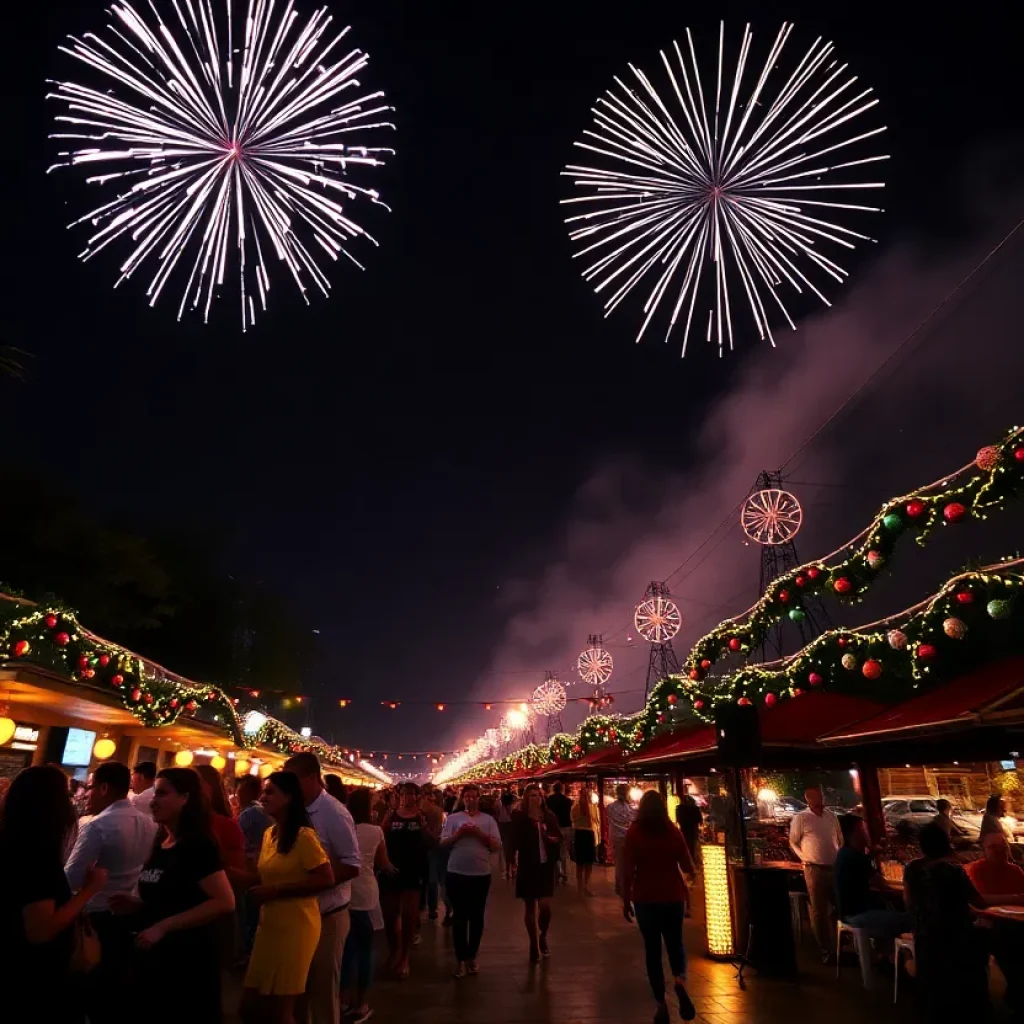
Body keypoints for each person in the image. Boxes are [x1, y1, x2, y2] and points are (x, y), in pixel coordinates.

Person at [110, 767, 235, 1023]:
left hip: (187, 963)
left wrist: (164, 926)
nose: (154, 802)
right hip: (157, 960)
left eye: (163, 794)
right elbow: (170, 898)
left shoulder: (197, 845)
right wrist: (136, 905)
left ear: (185, 798)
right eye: (155, 793)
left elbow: (224, 901)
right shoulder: (163, 841)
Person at [0, 764, 109, 1023]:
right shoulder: (36, 858)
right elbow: (39, 931)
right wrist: (88, 891)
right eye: (66, 796)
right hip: (34, 980)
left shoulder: (10, 844)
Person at [64, 760, 158, 1024]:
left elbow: (71, 876)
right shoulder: (148, 823)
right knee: (112, 988)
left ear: (104, 788)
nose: (88, 794)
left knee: (86, 988)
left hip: (93, 916)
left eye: (91, 788)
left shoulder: (97, 825)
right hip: (126, 911)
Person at [239, 771, 334, 1024]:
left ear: (289, 797)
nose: (263, 797)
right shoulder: (270, 834)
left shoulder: (303, 836)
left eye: (270, 792)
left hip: (296, 926)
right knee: (251, 1003)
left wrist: (276, 891)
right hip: (269, 926)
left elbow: (326, 878)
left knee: (282, 1010)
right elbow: (262, 876)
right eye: (263, 791)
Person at [283, 753, 361, 1024]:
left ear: (313, 778)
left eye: (293, 781)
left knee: (323, 990)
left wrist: (313, 883)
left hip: (328, 915)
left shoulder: (334, 813)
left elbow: (352, 864)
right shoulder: (293, 810)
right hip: (298, 914)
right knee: (297, 990)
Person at [621, 791, 697, 1024]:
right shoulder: (672, 831)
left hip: (645, 897)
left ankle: (660, 1002)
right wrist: (691, 879)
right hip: (672, 895)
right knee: (675, 942)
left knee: (652, 950)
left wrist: (626, 900)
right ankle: (679, 981)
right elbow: (686, 863)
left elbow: (627, 870)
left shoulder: (634, 833)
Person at [903, 822, 988, 1021]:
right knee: (986, 937)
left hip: (925, 937)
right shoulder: (954, 870)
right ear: (946, 843)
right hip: (957, 938)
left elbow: (908, 902)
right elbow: (979, 902)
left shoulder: (912, 869)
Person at [342, 788, 397, 1023]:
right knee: (365, 950)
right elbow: (383, 863)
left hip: (343, 892)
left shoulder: (342, 829)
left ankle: (342, 999)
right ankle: (361, 1002)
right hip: (365, 893)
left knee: (345, 950)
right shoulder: (375, 831)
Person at [441, 783, 501, 977]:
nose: (471, 799)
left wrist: (478, 834)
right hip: (457, 872)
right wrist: (459, 834)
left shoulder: (489, 820)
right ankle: (460, 959)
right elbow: (443, 843)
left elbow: (496, 846)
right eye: (467, 796)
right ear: (462, 798)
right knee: (460, 917)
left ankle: (472, 955)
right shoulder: (452, 819)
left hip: (480, 873)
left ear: (479, 798)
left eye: (474, 796)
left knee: (477, 916)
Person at [967, 833, 1024, 1014]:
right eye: (993, 847)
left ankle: (1016, 991)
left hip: (1016, 922)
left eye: (1003, 847)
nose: (999, 851)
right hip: (989, 923)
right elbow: (980, 900)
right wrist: (1014, 898)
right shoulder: (976, 870)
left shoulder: (1015, 871)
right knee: (1006, 941)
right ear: (984, 850)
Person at [379, 781, 432, 978]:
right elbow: (380, 837)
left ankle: (404, 956)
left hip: (414, 869)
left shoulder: (421, 816)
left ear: (416, 797)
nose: (406, 797)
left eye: (410, 794)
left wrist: (424, 826)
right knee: (390, 915)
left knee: (410, 916)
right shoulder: (390, 816)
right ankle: (394, 949)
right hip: (392, 869)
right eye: (403, 794)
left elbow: (431, 841)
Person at [788, 785, 841, 962]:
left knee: (838, 905)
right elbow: (793, 842)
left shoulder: (831, 816)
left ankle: (838, 942)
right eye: (817, 797)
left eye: (821, 796)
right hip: (814, 867)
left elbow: (838, 838)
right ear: (809, 799)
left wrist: (838, 853)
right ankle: (826, 949)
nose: (821, 800)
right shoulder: (801, 818)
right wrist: (805, 857)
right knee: (818, 910)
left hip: (833, 866)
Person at [834, 814, 910, 936]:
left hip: (849, 912)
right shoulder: (854, 856)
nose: (867, 833)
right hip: (858, 915)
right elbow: (883, 886)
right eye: (863, 829)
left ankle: (888, 952)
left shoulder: (846, 853)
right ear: (852, 834)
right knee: (912, 920)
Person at [510, 783, 562, 961]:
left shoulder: (549, 816)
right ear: (526, 798)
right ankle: (533, 942)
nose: (536, 798)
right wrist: (511, 862)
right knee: (530, 906)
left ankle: (543, 934)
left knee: (545, 906)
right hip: (528, 865)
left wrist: (553, 839)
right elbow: (514, 840)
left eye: (538, 795)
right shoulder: (520, 816)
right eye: (532, 795)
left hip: (545, 866)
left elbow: (558, 836)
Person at [236, 773, 270, 954]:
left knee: (246, 912)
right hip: (262, 866)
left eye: (240, 790)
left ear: (249, 792)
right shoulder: (263, 811)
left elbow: (236, 839)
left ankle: (245, 949)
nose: (237, 794)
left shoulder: (249, 814)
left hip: (249, 868)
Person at [195, 764, 247, 876]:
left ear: (212, 788)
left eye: (196, 783)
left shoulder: (226, 826)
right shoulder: (175, 821)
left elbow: (237, 870)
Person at [420, 787, 445, 922]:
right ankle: (432, 908)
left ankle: (426, 906)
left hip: (427, 847)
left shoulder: (427, 810)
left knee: (429, 879)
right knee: (432, 879)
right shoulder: (438, 810)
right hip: (434, 847)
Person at [607, 784, 636, 896]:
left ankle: (619, 885)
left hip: (615, 837)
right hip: (624, 837)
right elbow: (632, 818)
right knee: (625, 863)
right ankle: (623, 887)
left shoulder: (611, 807)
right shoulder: (626, 807)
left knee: (619, 862)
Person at [571, 785, 601, 897]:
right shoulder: (592, 807)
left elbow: (572, 819)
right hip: (588, 834)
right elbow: (596, 820)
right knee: (588, 862)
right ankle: (585, 886)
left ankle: (581, 888)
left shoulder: (575, 807)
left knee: (581, 863)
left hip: (580, 834)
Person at [546, 782, 574, 885]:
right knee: (563, 852)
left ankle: (557, 873)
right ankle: (565, 873)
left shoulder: (549, 800)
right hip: (566, 827)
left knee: (554, 851)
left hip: (554, 828)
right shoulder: (568, 801)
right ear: (562, 789)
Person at [496, 787, 516, 879]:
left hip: (503, 827)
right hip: (511, 826)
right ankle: (512, 865)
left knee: (505, 847)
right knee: (512, 847)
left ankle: (507, 868)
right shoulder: (513, 806)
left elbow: (496, 815)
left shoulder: (499, 804)